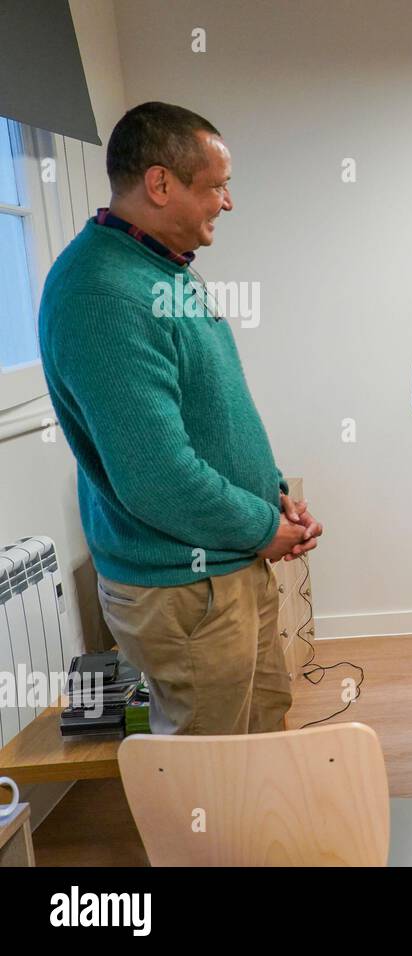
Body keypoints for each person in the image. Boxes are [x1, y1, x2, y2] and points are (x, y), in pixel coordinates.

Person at [38, 102, 322, 736]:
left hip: (225, 565)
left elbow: (215, 410)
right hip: (187, 588)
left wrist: (272, 495)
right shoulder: (104, 294)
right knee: (208, 779)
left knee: (259, 740)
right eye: (217, 186)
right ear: (161, 183)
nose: (227, 202)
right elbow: (156, 475)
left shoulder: (159, 269)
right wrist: (260, 525)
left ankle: (252, 843)